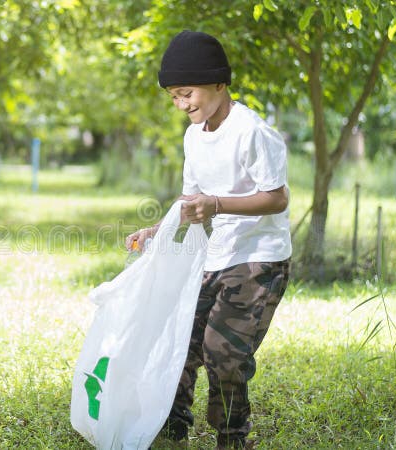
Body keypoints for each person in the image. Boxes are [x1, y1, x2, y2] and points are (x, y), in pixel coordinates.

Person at [125, 30, 292, 450]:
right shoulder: (193, 136)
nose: (182, 105)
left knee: (224, 352)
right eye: (174, 98)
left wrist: (216, 205)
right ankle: (171, 431)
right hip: (214, 257)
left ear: (219, 82)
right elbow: (189, 200)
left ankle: (232, 440)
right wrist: (157, 232)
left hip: (259, 260)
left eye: (187, 93)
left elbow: (277, 197)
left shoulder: (252, 132)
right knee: (181, 339)